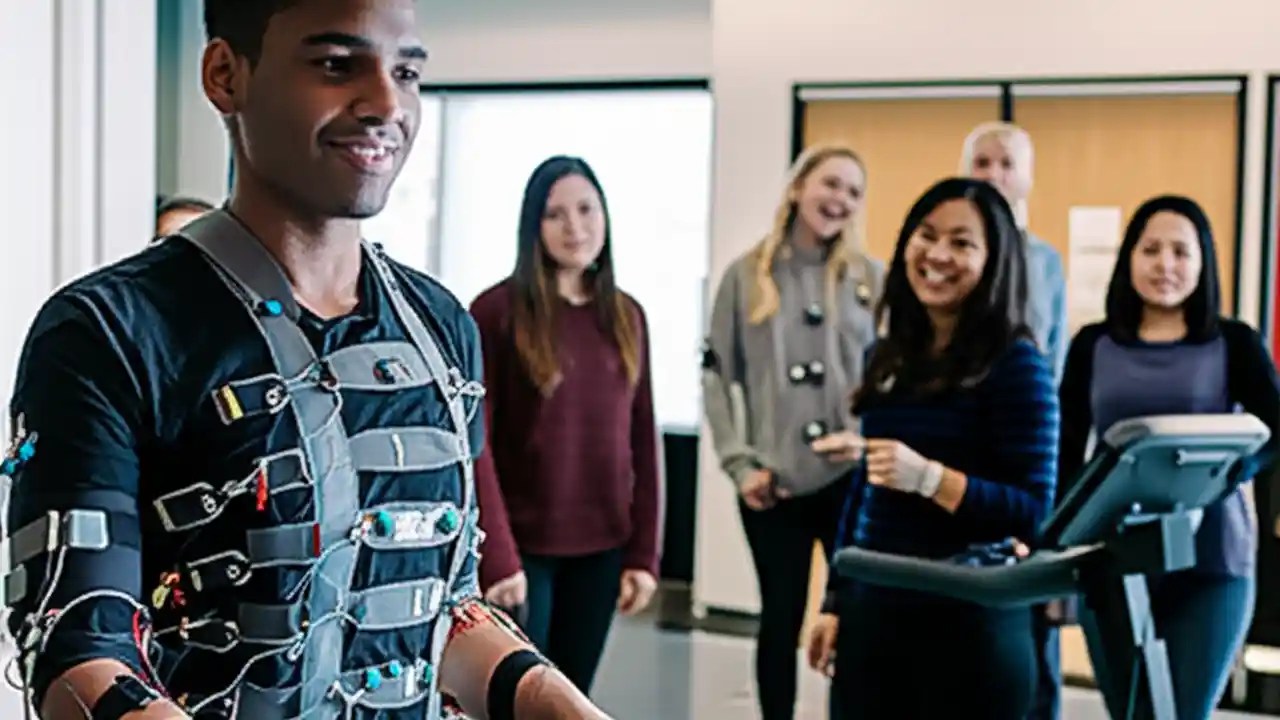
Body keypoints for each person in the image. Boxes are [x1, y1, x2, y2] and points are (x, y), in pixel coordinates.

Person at [0, 1, 612, 718]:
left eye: (407, 71)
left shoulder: (442, 328)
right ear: (226, 75)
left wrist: (561, 705)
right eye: (334, 65)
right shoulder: (107, 332)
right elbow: (78, 655)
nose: (387, 103)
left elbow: (444, 611)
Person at [806, 177, 1059, 719]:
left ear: (994, 261)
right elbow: (866, 488)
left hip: (972, 620)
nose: (938, 255)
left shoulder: (1016, 364)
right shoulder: (889, 353)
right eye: (927, 235)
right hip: (877, 609)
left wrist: (930, 479)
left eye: (962, 243)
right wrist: (835, 600)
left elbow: (1034, 511)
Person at [1058, 195, 1279, 719]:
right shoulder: (1092, 345)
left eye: (1181, 251)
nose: (1165, 265)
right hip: (1110, 554)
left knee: (1181, 711)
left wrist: (1230, 470)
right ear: (1128, 258)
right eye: (1150, 249)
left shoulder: (1234, 342)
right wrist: (1054, 555)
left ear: (1202, 263)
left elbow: (1275, 432)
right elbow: (1065, 454)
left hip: (1212, 556)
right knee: (1132, 711)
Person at [702, 143, 883, 720]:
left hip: (848, 484)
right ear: (799, 186)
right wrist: (739, 464)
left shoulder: (870, 280)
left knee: (853, 618)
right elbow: (715, 378)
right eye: (830, 184)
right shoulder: (745, 277)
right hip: (772, 485)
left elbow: (892, 379)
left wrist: (871, 445)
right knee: (779, 619)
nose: (840, 200)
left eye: (853, 192)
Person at [469, 155, 662, 695]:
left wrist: (644, 552)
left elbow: (644, 440)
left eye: (586, 209)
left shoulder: (627, 315)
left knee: (574, 698)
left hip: (601, 550)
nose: (575, 227)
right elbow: (474, 443)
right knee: (517, 701)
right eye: (556, 214)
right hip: (524, 556)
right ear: (533, 225)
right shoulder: (495, 312)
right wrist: (497, 556)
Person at [959, 120, 1068, 720]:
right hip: (958, 465)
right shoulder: (949, 255)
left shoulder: (1046, 262)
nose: (994, 174)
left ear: (1026, 176)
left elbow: (1059, 362)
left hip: (1026, 464)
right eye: (982, 162)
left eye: (1006, 163)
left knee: (1034, 622)